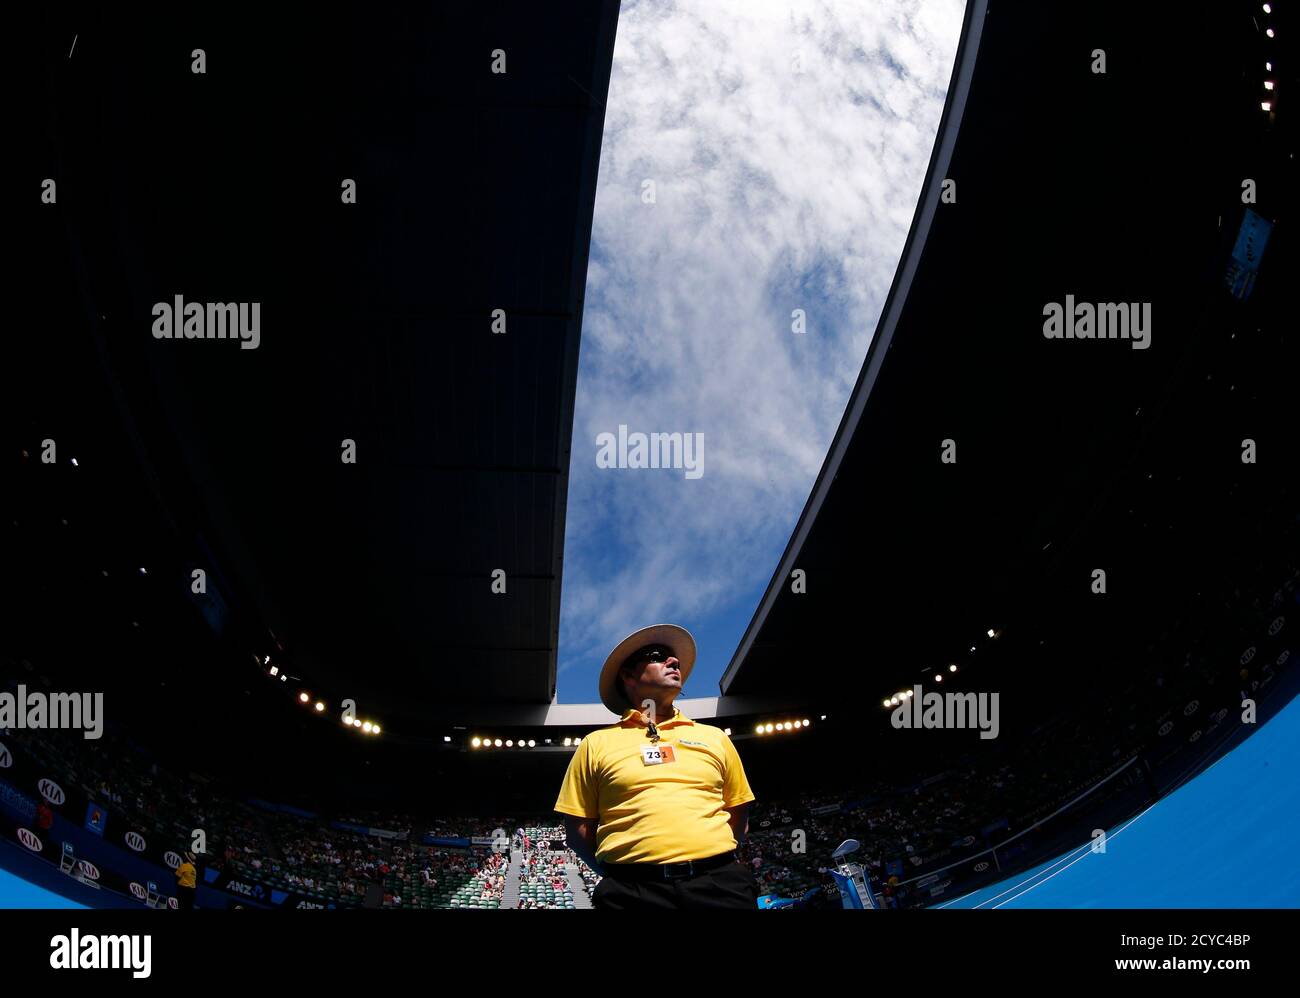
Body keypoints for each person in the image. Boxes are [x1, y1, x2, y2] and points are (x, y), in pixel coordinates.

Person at [554, 624, 759, 910]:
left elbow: (738, 811)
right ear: (627, 675)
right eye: (658, 655)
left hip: (720, 886)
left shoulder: (714, 737)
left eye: (672, 658)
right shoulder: (595, 745)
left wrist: (718, 864)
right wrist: (620, 876)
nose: (673, 661)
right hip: (631, 894)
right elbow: (578, 830)